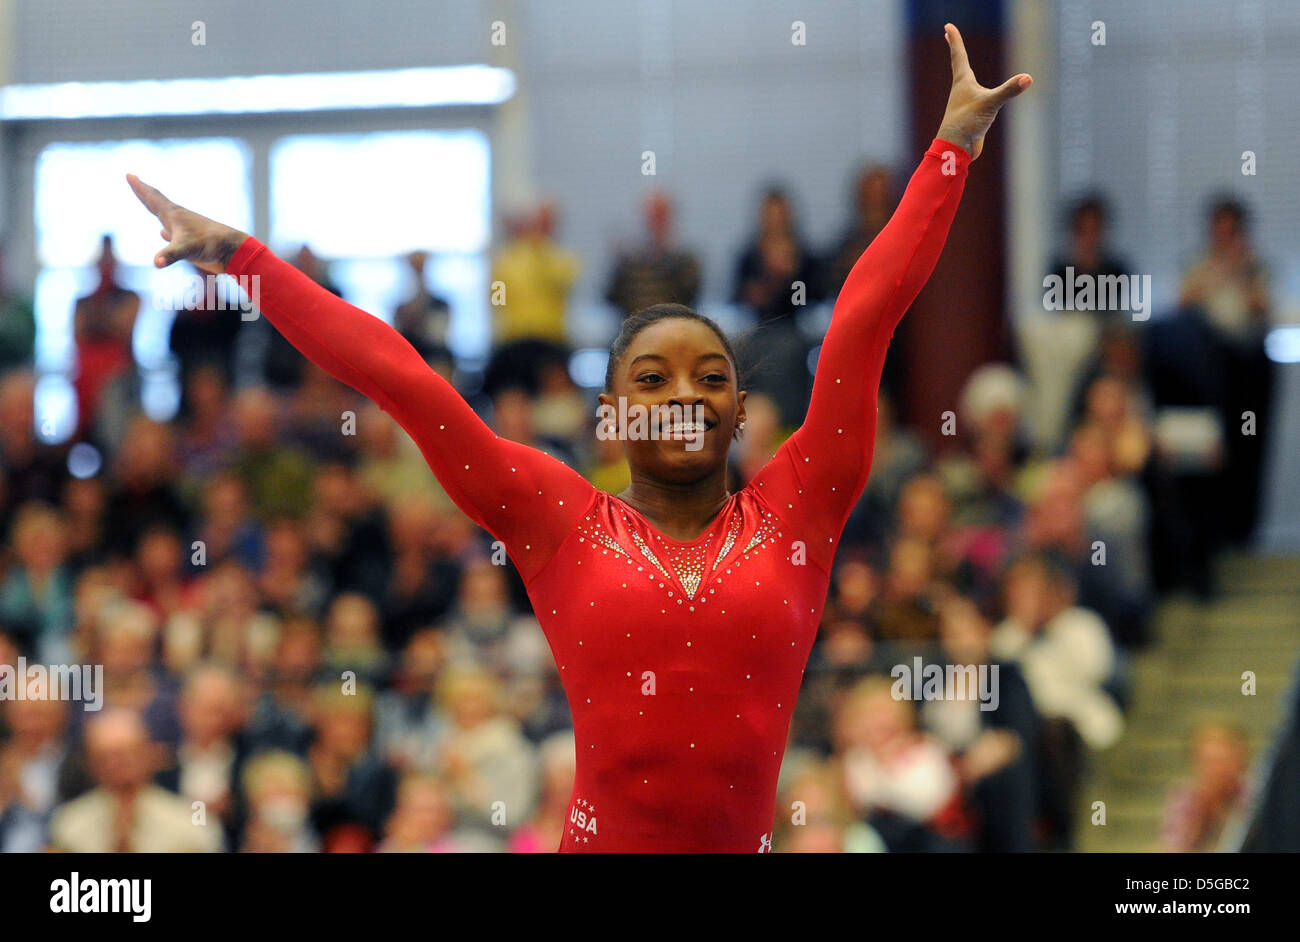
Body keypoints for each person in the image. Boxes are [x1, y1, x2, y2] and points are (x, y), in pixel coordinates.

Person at [125, 22, 1031, 851]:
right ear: (612, 417)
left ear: (743, 413)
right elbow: (399, 376)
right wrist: (245, 259)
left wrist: (951, 149)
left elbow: (864, 321)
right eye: (653, 378)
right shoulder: (553, 515)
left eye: (712, 377)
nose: (685, 394)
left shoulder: (803, 504)